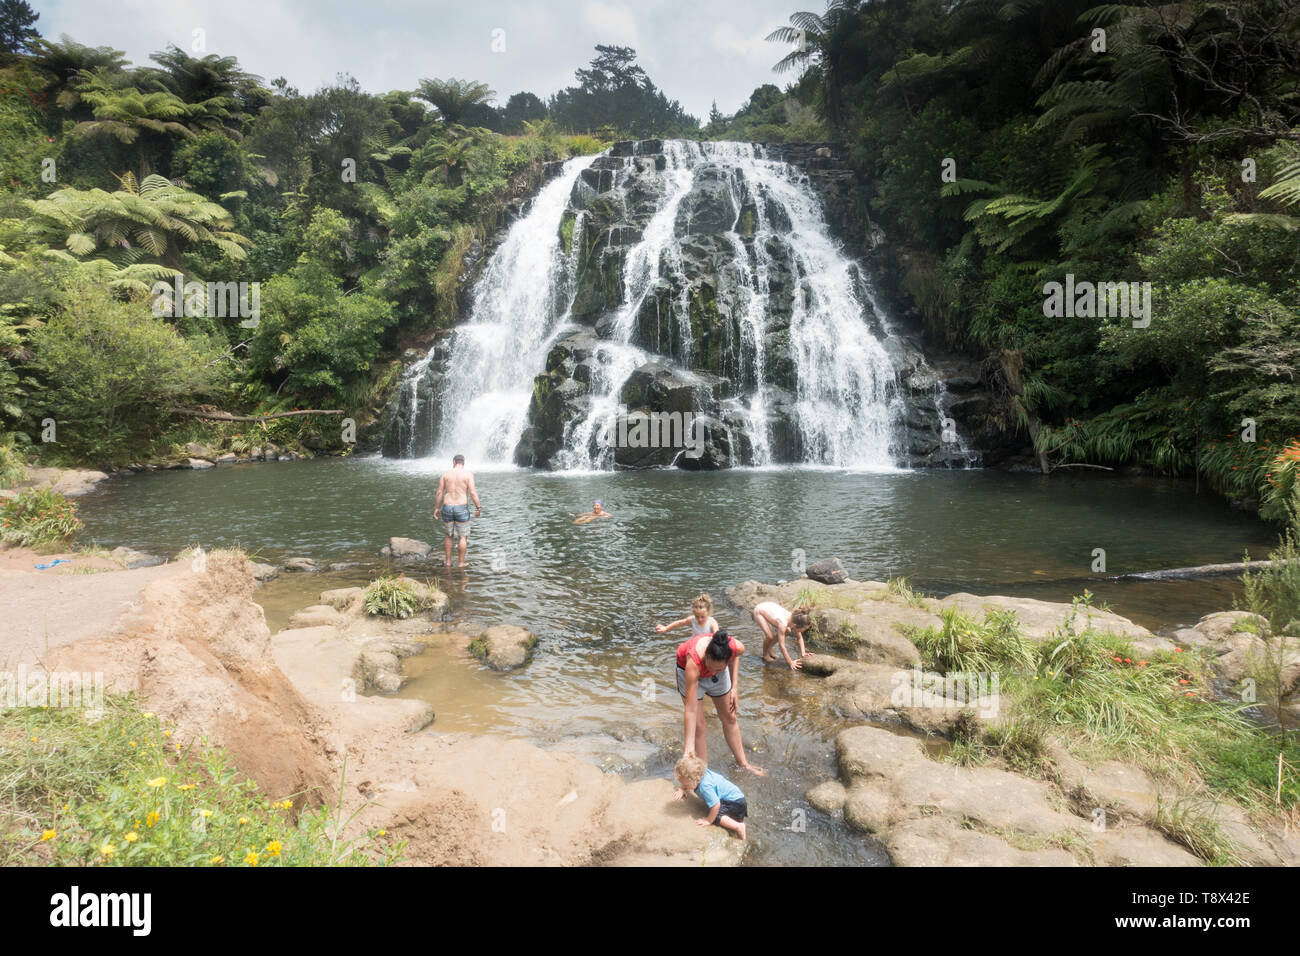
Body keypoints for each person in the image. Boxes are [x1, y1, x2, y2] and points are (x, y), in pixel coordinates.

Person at [675, 629, 765, 776]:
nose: (712, 671)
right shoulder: (694, 660)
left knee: (730, 717)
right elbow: (690, 710)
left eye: (718, 667)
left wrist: (734, 688)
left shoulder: (737, 647)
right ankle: (704, 774)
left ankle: (744, 764)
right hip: (689, 672)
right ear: (707, 656)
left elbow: (735, 657)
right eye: (711, 666)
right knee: (699, 726)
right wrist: (688, 749)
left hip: (721, 677)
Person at [673, 754, 747, 840]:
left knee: (716, 816)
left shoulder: (705, 787)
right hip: (737, 798)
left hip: (735, 804)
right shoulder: (699, 774)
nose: (684, 785)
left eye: (686, 784)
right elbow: (686, 778)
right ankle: (738, 824)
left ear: (697, 780)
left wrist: (708, 820)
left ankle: (738, 827)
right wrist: (682, 789)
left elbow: (716, 805)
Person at [434, 454, 481, 568]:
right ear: (463, 463)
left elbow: (439, 492)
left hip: (447, 507)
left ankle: (448, 562)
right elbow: (473, 493)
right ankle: (460, 563)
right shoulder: (468, 475)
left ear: (454, 462)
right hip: (461, 507)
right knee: (462, 536)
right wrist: (478, 507)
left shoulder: (445, 474)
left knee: (449, 535)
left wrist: (436, 508)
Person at [752, 601, 812, 671]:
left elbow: (799, 638)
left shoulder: (795, 619)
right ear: (796, 626)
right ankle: (765, 655)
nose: (803, 631)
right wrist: (790, 662)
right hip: (759, 611)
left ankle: (769, 649)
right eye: (803, 629)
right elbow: (782, 646)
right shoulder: (783, 623)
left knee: (788, 631)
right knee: (770, 636)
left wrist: (803, 653)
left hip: (769, 608)